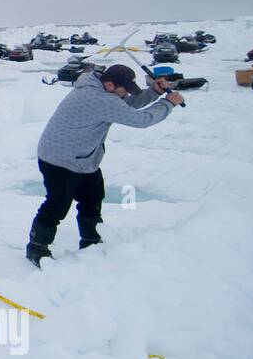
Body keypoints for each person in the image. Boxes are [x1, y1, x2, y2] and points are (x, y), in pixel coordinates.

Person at [26, 63, 182, 266]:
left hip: (82, 158)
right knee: (57, 205)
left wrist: (154, 92)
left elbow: (126, 105)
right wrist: (168, 102)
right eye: (124, 91)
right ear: (109, 85)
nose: (126, 95)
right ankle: (36, 247)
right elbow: (141, 119)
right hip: (58, 159)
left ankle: (92, 242)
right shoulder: (100, 99)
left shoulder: (100, 89)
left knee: (92, 199)